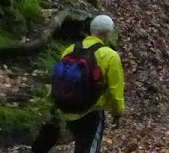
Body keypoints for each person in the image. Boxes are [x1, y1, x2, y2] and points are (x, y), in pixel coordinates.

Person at [32, 14, 125, 153]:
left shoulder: (71, 49)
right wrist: (118, 112)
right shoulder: (110, 56)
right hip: (91, 112)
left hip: (65, 108)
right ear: (108, 33)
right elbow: (115, 90)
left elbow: (60, 77)